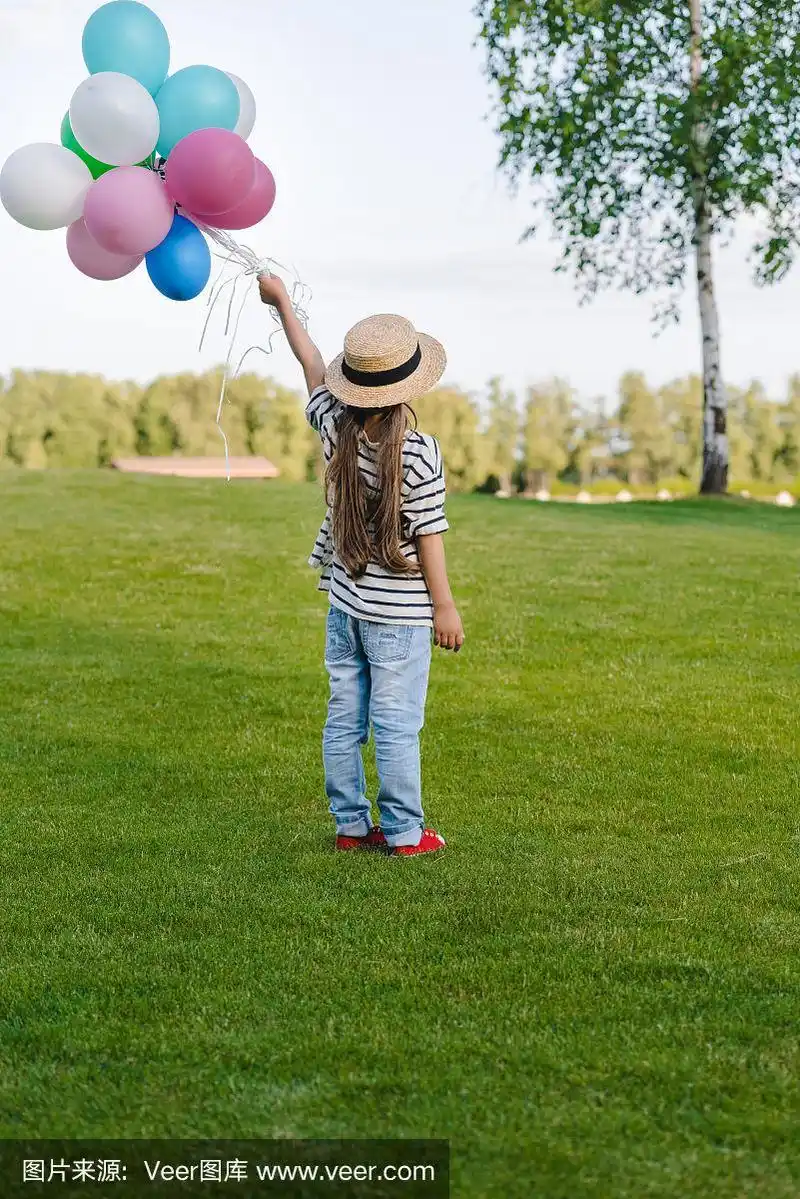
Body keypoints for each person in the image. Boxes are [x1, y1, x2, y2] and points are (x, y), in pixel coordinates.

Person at [259, 273, 465, 857]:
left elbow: (309, 363)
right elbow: (428, 532)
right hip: (399, 615)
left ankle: (351, 826)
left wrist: (282, 305)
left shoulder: (336, 431)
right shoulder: (418, 451)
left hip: (344, 605)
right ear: (408, 386)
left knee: (344, 716)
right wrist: (444, 606)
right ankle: (403, 834)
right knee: (397, 725)